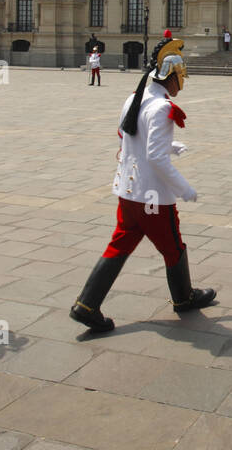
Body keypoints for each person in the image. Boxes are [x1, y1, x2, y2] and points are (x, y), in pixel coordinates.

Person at [69, 30, 214, 332]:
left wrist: (170, 145)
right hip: (152, 197)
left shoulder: (136, 97)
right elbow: (156, 159)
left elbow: (128, 135)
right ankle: (184, 298)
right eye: (180, 76)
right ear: (170, 76)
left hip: (128, 190)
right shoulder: (162, 107)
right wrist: (183, 188)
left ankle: (87, 304)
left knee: (120, 244)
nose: (182, 82)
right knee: (173, 247)